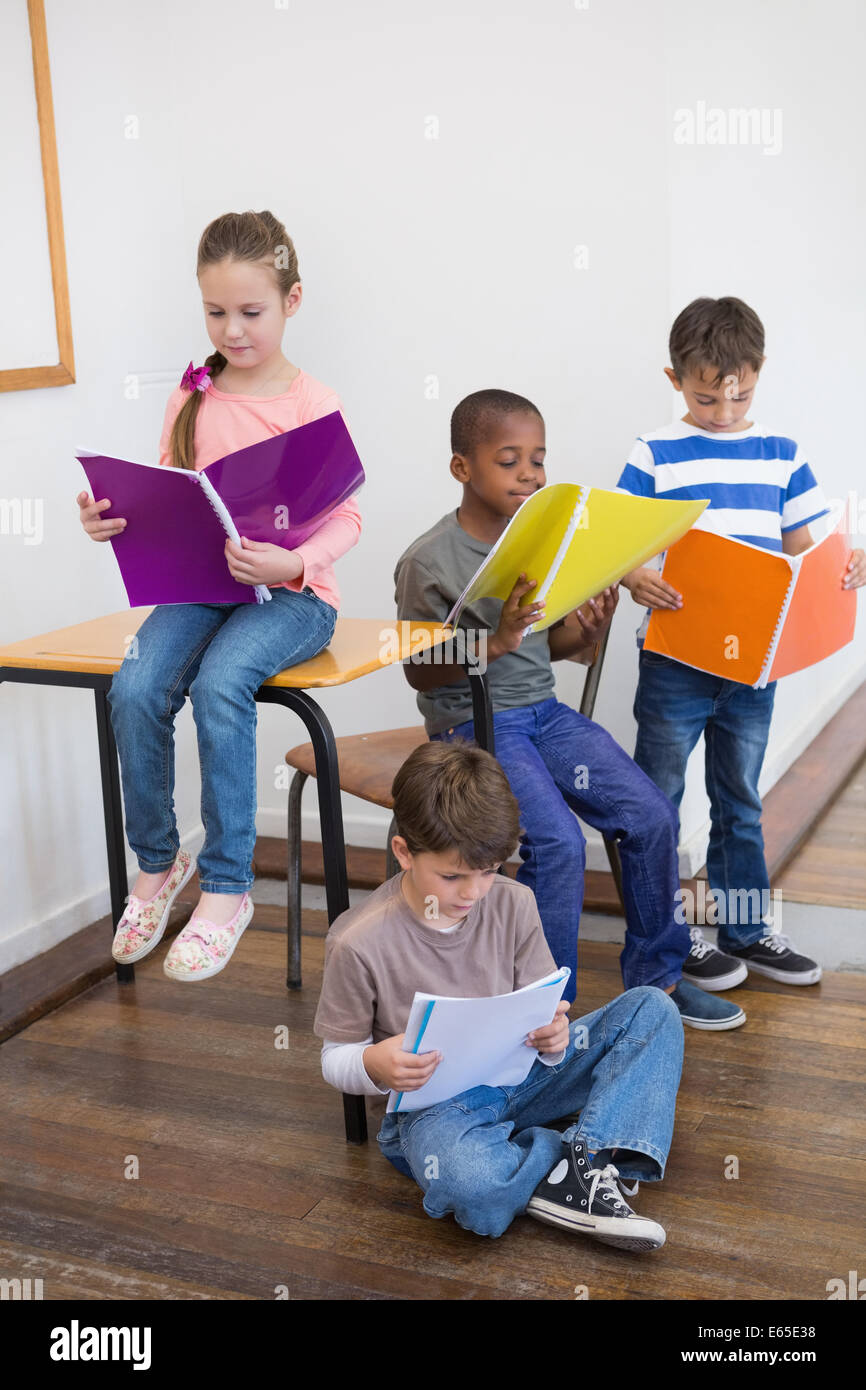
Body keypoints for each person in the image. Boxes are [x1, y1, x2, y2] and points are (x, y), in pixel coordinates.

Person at [393, 388, 744, 1029]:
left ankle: (657, 985)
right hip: (470, 725)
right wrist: (493, 640)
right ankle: (548, 1013)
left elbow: (541, 649)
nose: (530, 473)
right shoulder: (428, 559)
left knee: (650, 814)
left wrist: (584, 634)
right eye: (509, 459)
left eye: (538, 458)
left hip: (543, 715)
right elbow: (417, 666)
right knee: (556, 842)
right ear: (462, 468)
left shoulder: (540, 541)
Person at [76, 210, 361, 981]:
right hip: (204, 590)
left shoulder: (311, 401)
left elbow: (347, 517)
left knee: (219, 681)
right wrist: (112, 518)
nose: (231, 330)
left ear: (292, 300)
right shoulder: (193, 392)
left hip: (295, 598)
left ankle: (230, 885)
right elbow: (169, 492)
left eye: (250, 311)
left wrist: (291, 563)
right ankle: (159, 863)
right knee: (134, 685)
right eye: (215, 312)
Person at [314, 740, 683, 1247]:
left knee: (653, 1010)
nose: (473, 892)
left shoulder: (513, 902)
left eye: (488, 871)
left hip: (523, 1077)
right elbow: (336, 1058)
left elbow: (540, 1011)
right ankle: (587, 1157)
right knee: (473, 1184)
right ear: (404, 852)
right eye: (452, 876)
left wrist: (554, 1037)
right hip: (433, 1113)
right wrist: (374, 1066)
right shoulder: (357, 942)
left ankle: (566, 1166)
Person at [618, 296, 866, 987]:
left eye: (739, 395)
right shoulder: (656, 451)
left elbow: (803, 558)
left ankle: (747, 930)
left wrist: (847, 564)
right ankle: (668, 938)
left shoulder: (783, 455)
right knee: (658, 799)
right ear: (675, 380)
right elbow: (621, 547)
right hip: (675, 658)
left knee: (741, 800)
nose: (723, 411)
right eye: (704, 397)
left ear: (757, 374)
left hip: (755, 663)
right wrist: (636, 576)